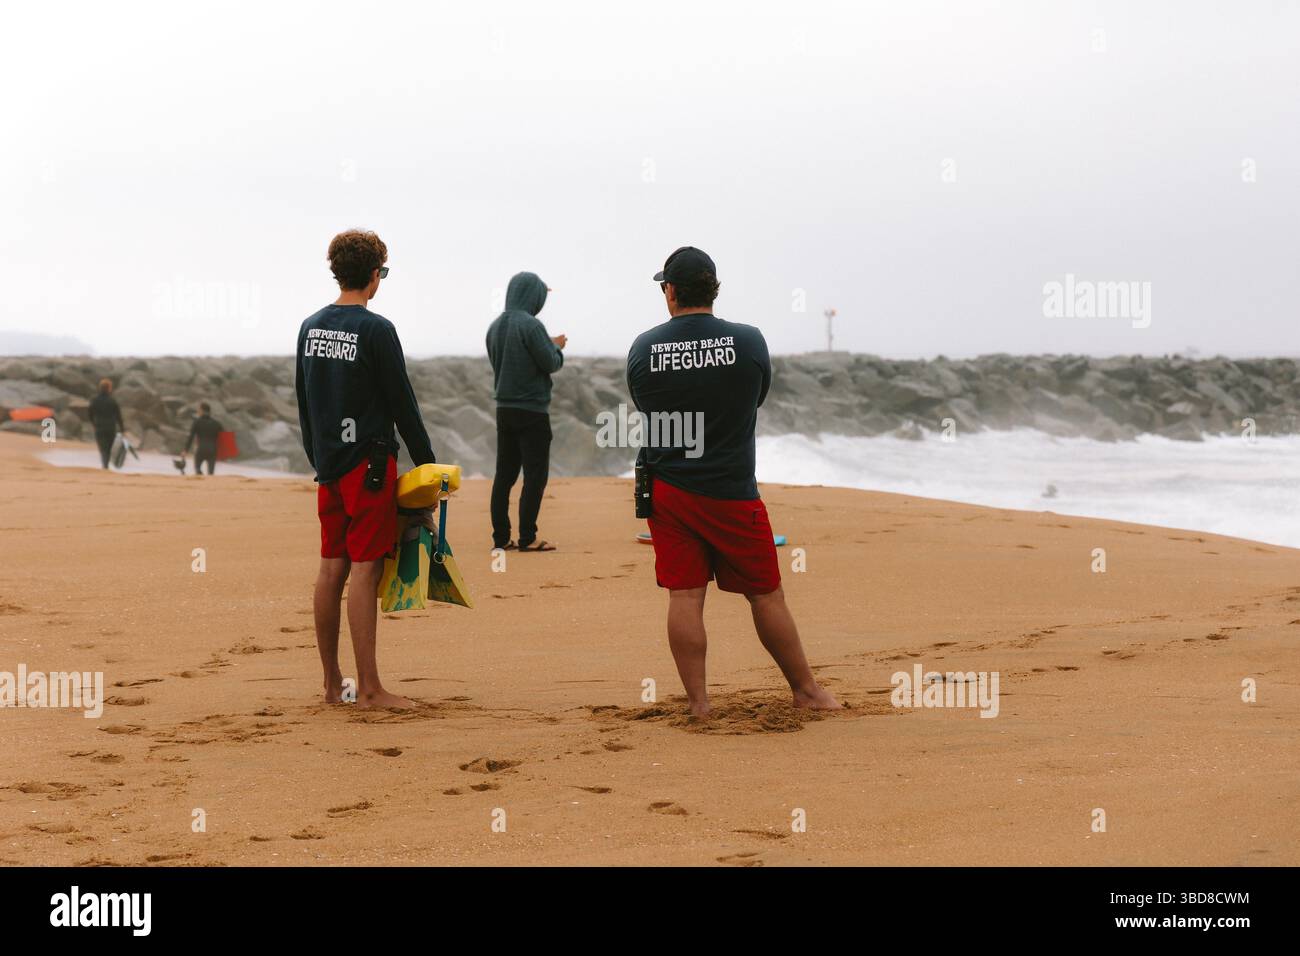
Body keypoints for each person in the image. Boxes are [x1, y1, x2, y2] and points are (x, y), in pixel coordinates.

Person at [626, 246, 840, 718]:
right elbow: (755, 397)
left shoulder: (644, 347)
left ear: (672, 291)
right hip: (731, 488)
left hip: (670, 490)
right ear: (713, 288)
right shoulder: (748, 341)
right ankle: (806, 691)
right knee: (765, 593)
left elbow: (646, 406)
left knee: (684, 595)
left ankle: (699, 705)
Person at [295, 229, 437, 710]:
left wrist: (321, 459)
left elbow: (305, 402)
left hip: (330, 467)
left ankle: (334, 686)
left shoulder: (310, 327)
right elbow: (404, 406)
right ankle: (371, 688)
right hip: (371, 467)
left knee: (331, 564)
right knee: (365, 567)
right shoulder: (377, 330)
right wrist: (429, 468)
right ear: (375, 275)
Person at [485, 271, 566, 552]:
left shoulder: (495, 326)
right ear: (534, 297)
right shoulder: (531, 325)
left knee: (504, 476)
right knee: (535, 476)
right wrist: (557, 348)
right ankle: (527, 537)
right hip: (532, 411)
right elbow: (550, 363)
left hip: (503, 409)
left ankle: (501, 539)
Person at [88, 378, 124, 469]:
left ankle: (105, 465)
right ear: (109, 388)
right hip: (111, 428)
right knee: (109, 448)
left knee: (103, 448)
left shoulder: (95, 400)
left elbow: (90, 414)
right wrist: (122, 428)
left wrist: (93, 423)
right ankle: (106, 466)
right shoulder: (112, 401)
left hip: (99, 427)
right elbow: (118, 416)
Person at [185, 402, 224, 475]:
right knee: (211, 473)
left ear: (202, 411)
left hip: (201, 449)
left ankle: (199, 474)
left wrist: (185, 450)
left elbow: (191, 437)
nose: (198, 412)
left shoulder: (197, 422)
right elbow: (223, 439)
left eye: (199, 410)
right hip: (212, 450)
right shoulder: (217, 424)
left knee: (197, 470)